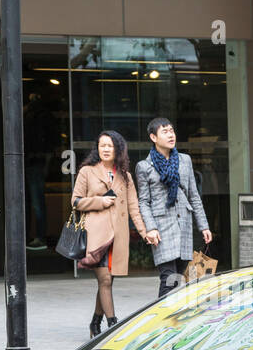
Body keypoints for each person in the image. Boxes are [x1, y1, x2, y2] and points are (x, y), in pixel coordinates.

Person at [72, 130, 148, 337]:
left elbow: (134, 207)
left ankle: (95, 322)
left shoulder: (126, 176)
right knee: (104, 280)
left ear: (118, 149)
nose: (105, 149)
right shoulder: (87, 171)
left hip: (118, 236)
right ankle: (113, 327)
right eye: (102, 145)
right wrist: (99, 201)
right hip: (96, 234)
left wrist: (144, 232)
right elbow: (75, 201)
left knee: (107, 281)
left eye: (110, 145)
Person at [135, 117, 212, 297]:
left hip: (184, 225)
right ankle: (160, 321)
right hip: (161, 229)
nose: (171, 135)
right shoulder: (144, 166)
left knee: (182, 278)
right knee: (168, 278)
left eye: (172, 131)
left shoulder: (185, 160)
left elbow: (194, 195)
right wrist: (151, 228)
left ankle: (176, 319)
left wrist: (204, 225)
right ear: (153, 137)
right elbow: (144, 202)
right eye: (165, 132)